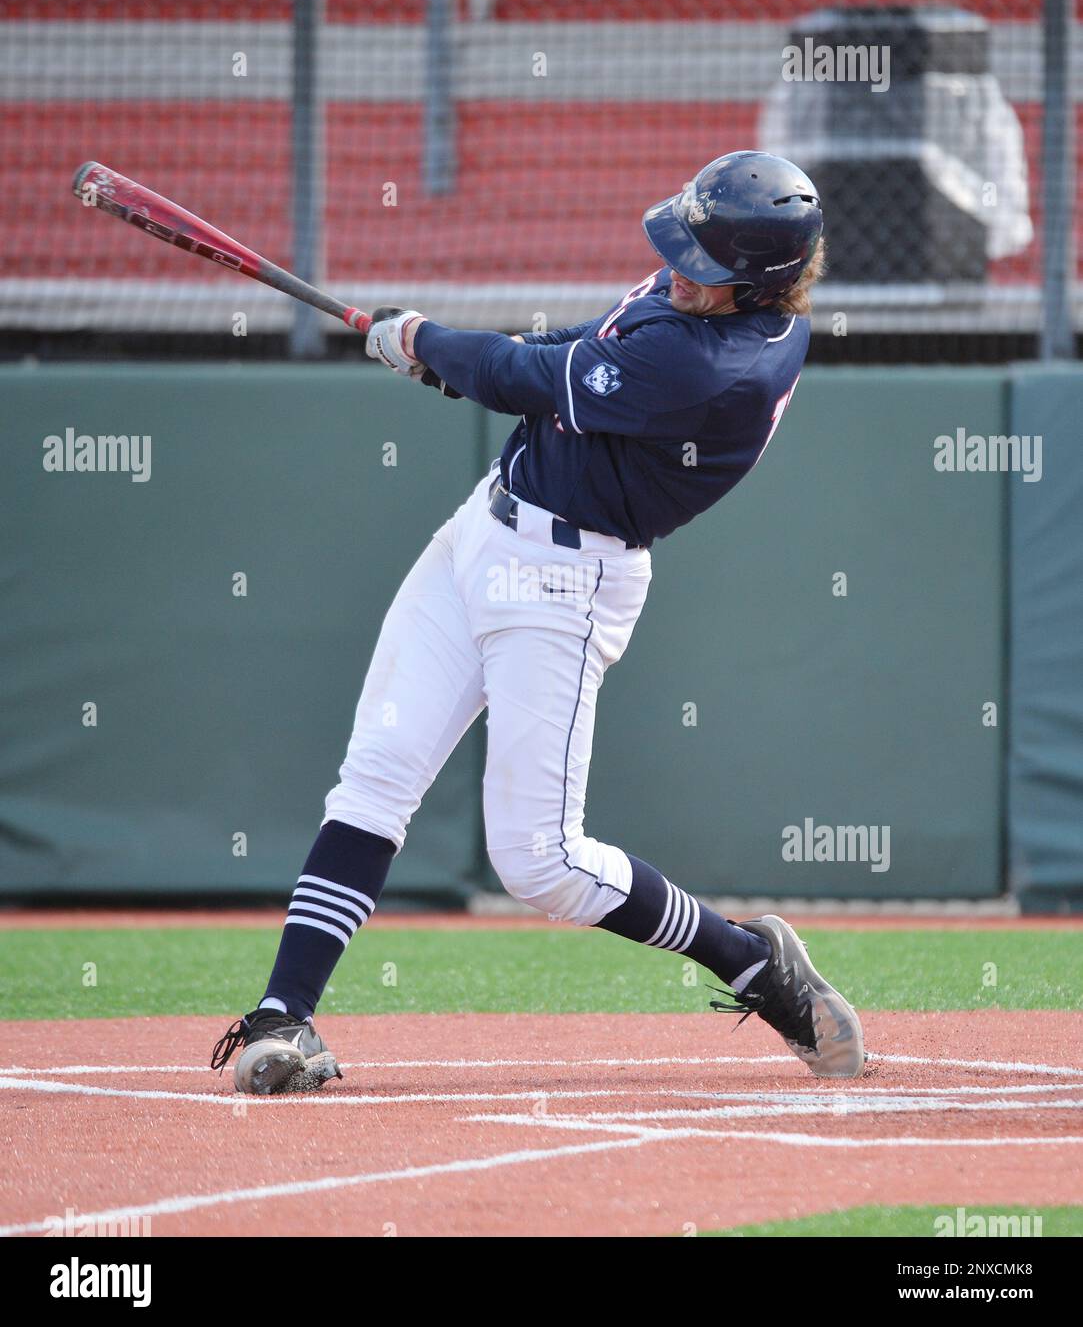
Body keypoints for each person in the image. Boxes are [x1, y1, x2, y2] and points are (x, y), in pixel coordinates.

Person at [211, 150, 863, 1096]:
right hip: (483, 530)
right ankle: (285, 1017)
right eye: (683, 253)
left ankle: (752, 964)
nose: (681, 273)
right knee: (375, 778)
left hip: (565, 585)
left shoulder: (711, 363)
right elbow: (572, 345)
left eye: (705, 270)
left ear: (759, 284)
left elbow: (538, 374)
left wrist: (429, 342)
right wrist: (449, 359)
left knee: (539, 863)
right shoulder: (697, 299)